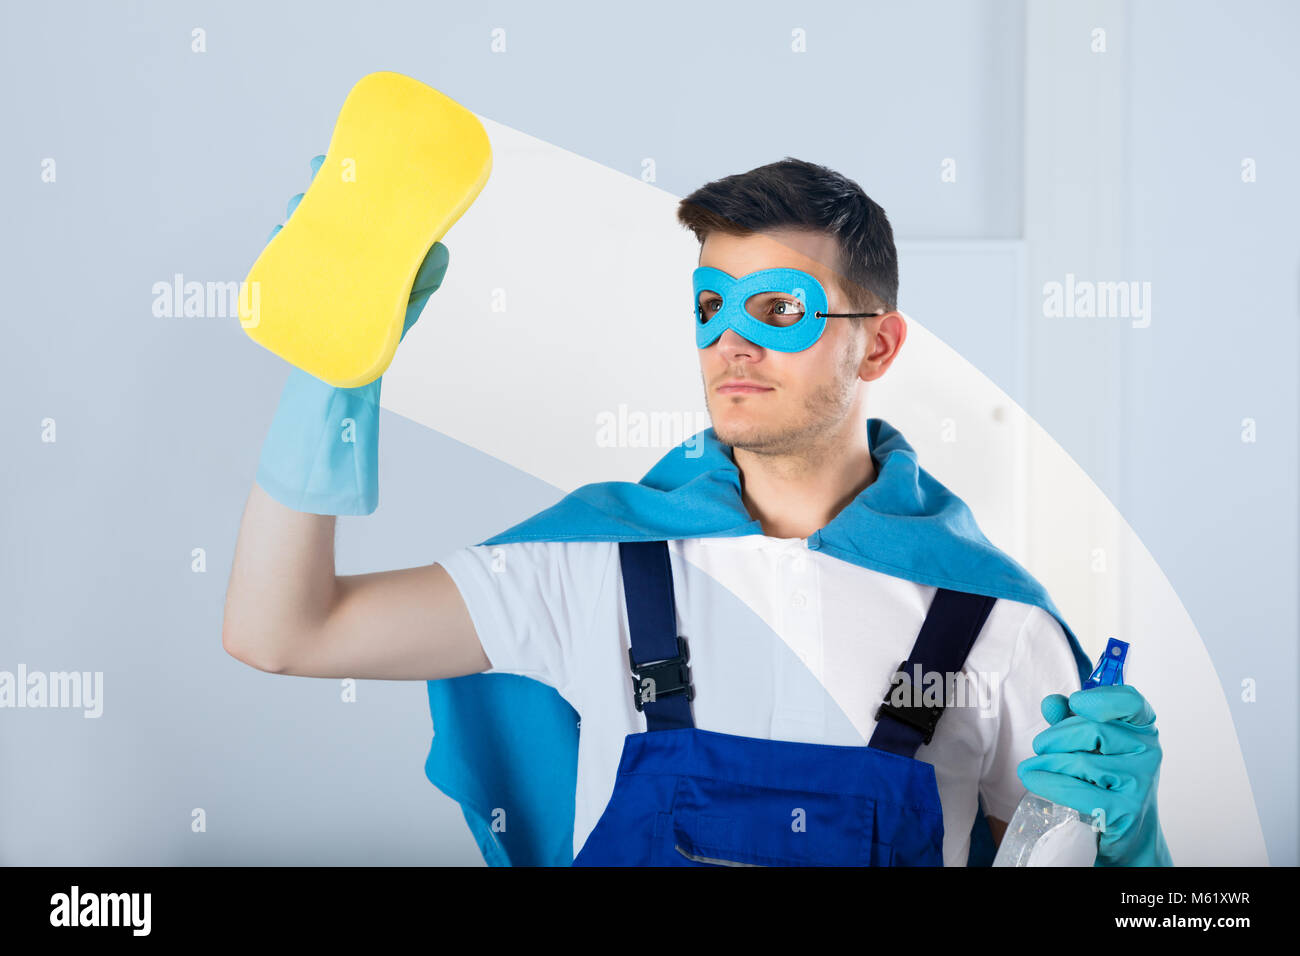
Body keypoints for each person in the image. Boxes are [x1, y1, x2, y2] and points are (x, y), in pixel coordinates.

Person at [223, 156, 1170, 867]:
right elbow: (285, 631)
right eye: (710, 307)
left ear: (877, 347)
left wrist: (1134, 843)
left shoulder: (996, 621)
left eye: (780, 311)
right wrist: (332, 385)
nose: (731, 345)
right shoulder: (597, 562)